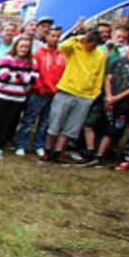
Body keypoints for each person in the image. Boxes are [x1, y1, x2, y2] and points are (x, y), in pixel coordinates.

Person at [42, 27, 106, 164]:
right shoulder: (75, 48)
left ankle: (58, 152)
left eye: (95, 45)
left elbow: (99, 75)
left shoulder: (100, 54)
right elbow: (63, 46)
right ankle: (48, 150)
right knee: (55, 123)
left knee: (71, 127)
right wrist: (79, 37)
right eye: (90, 43)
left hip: (85, 96)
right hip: (66, 90)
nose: (92, 47)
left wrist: (94, 94)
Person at [83, 36, 129, 166]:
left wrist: (116, 99)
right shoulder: (118, 61)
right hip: (106, 100)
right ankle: (90, 151)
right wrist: (109, 97)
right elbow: (108, 79)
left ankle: (99, 156)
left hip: (124, 105)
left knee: (111, 131)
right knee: (89, 124)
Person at [0, 35, 39, 160]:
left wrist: (17, 77)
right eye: (21, 46)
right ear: (16, 46)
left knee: (8, 123)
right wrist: (23, 77)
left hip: (18, 98)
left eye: (26, 47)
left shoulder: (33, 62)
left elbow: (34, 79)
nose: (23, 49)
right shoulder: (7, 58)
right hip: (1, 96)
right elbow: (4, 76)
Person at [15, 25, 65, 157]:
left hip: (54, 93)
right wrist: (40, 87)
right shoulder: (39, 53)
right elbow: (35, 72)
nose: (55, 39)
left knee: (46, 121)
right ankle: (22, 145)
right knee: (29, 119)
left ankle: (39, 144)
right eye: (53, 36)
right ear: (47, 36)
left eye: (58, 36)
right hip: (39, 92)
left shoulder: (62, 55)